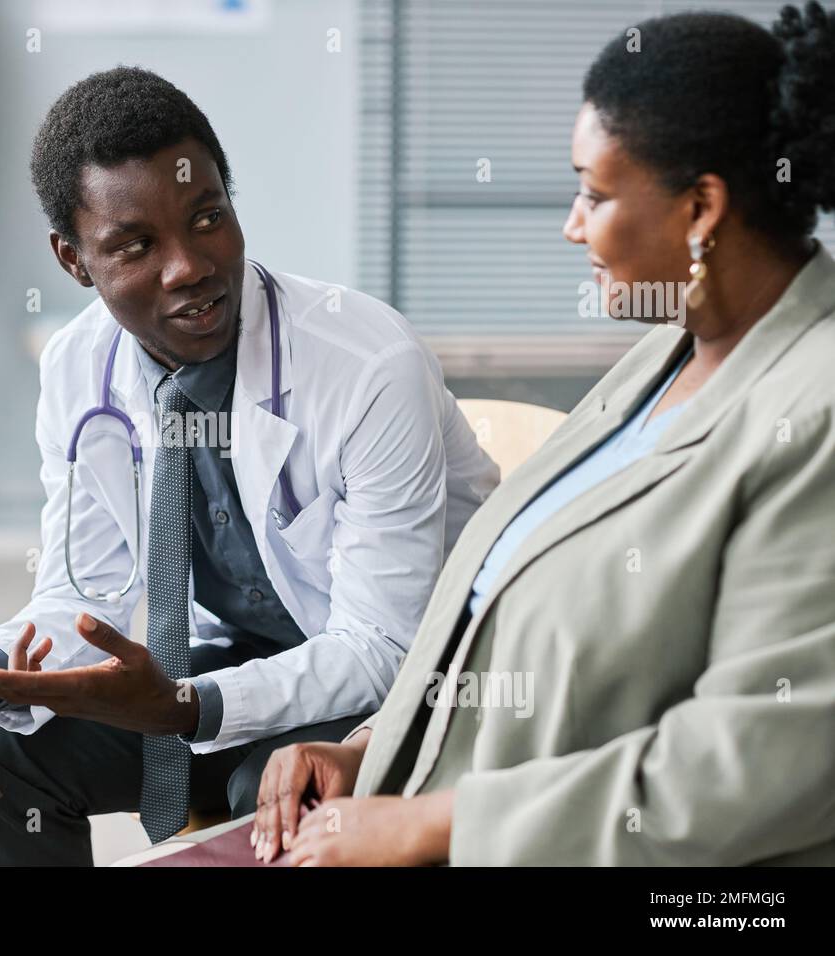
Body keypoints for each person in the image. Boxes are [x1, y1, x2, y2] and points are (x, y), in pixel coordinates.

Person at [0, 66, 498, 865]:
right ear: (74, 261)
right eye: (136, 245)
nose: (189, 266)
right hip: (248, 665)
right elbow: (81, 592)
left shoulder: (366, 364)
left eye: (207, 218)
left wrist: (184, 705)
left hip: (416, 681)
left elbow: (383, 644)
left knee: (277, 799)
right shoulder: (80, 369)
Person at [249, 3, 835, 866]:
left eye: (595, 194)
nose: (571, 224)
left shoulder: (811, 412)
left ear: (702, 206)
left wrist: (435, 824)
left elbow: (754, 767)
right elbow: (508, 611)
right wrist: (375, 748)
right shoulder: (666, 356)